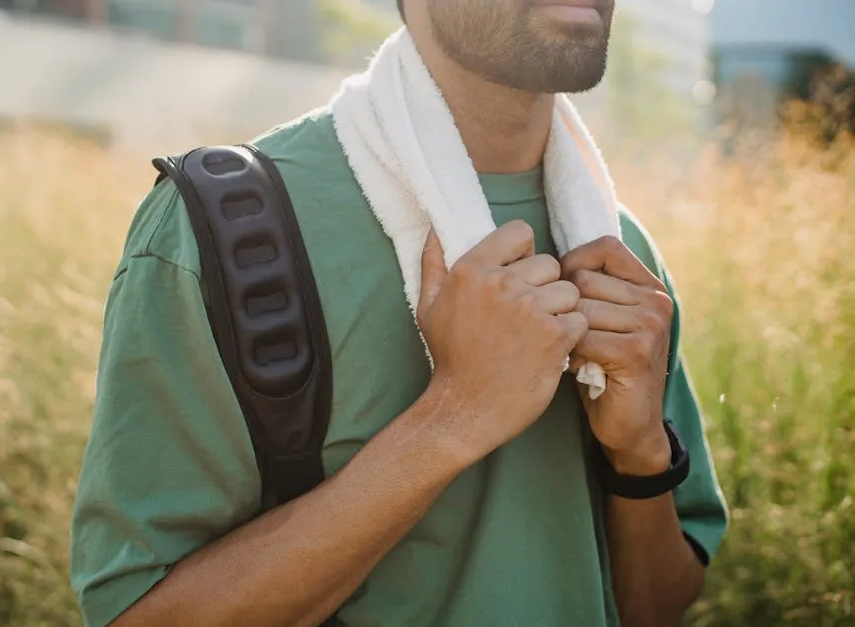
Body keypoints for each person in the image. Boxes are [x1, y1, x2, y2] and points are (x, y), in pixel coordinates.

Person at [69, 0, 728, 625]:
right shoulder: (218, 237)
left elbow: (656, 605)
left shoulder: (618, 251)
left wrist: (639, 450)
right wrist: (454, 416)